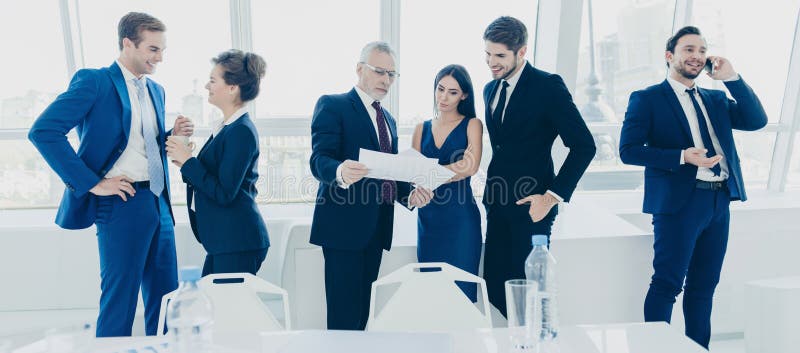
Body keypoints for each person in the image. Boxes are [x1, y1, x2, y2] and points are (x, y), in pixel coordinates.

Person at [28, 12, 193, 337]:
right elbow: (43, 131)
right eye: (153, 49)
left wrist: (169, 134)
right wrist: (94, 184)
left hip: (159, 204)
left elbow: (137, 143)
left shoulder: (156, 90)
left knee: (166, 303)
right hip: (121, 203)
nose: (160, 58)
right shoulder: (95, 81)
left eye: (162, 50)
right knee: (121, 303)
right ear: (128, 43)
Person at [619, 26, 767, 349]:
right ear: (670, 56)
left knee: (703, 289)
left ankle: (699, 348)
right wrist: (682, 157)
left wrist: (731, 78)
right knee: (667, 285)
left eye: (702, 50)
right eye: (689, 50)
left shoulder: (715, 99)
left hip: (719, 203)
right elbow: (628, 150)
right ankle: (654, 348)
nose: (697, 56)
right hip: (678, 205)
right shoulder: (647, 99)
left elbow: (758, 120)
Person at [309, 41, 433, 330]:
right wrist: (339, 170)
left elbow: (389, 173)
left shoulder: (388, 119)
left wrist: (412, 196)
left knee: (363, 314)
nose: (386, 80)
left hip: (376, 230)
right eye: (380, 72)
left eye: (392, 75)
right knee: (343, 317)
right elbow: (318, 159)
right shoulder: (333, 104)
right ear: (359, 69)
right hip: (342, 229)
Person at [481, 16, 596, 316]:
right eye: (488, 54)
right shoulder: (489, 90)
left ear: (522, 52)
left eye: (500, 56)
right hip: (497, 205)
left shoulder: (548, 86)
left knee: (530, 298)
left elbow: (584, 146)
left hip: (533, 209)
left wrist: (550, 198)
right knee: (495, 290)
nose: (492, 62)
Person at [166, 50, 270, 277]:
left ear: (232, 88)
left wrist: (189, 161)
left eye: (213, 80)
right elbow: (212, 177)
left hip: (237, 241)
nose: (206, 86)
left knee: (229, 311)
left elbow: (224, 192)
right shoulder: (228, 127)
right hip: (226, 242)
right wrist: (184, 162)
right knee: (218, 309)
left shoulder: (241, 131)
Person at [411, 64, 483, 301]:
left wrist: (429, 174)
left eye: (452, 92)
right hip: (428, 222)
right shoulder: (421, 129)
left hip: (461, 220)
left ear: (464, 95)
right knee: (432, 297)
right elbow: (414, 175)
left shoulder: (472, 124)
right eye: (440, 89)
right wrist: (433, 175)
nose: (443, 97)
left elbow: (470, 166)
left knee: (462, 296)